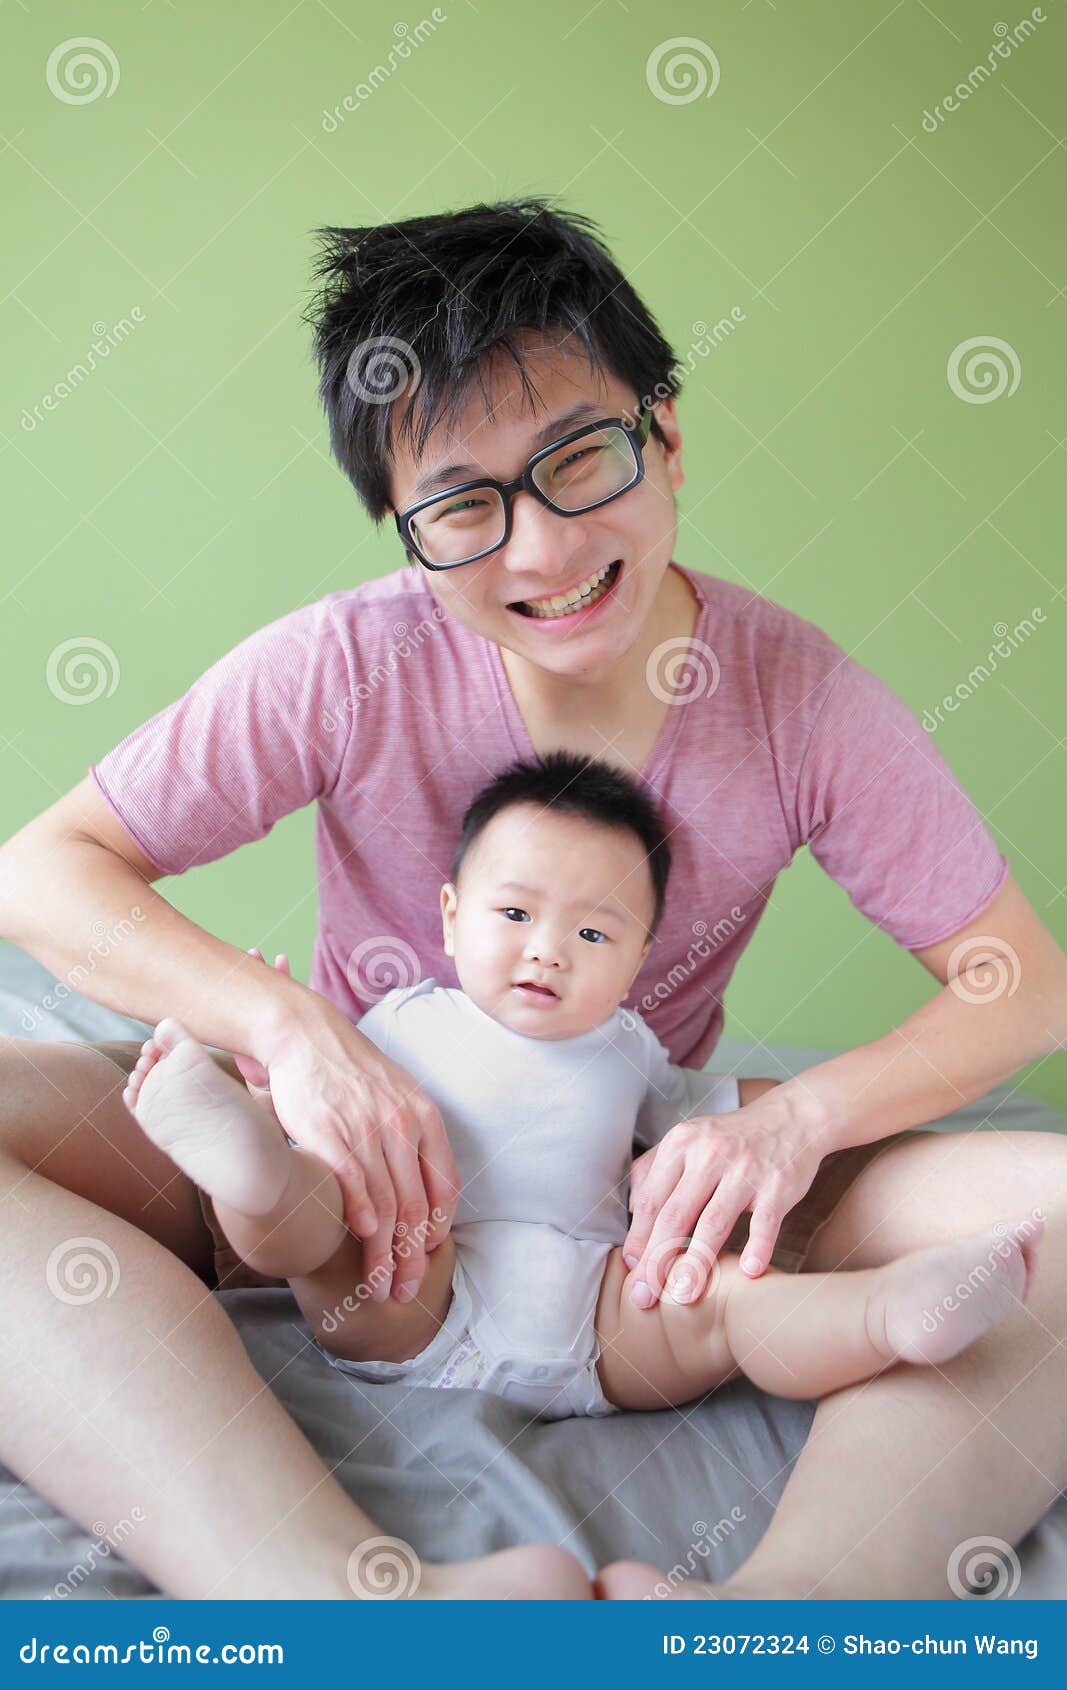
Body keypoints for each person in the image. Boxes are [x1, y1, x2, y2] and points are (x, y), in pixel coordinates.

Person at [0, 196, 1064, 1601]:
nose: (544, 551)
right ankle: (322, 1595)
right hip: (331, 1185)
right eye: (462, 506)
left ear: (664, 436)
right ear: (404, 530)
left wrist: (796, 1123)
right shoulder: (345, 662)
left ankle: (788, 1615)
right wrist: (293, 1032)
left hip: (638, 1198)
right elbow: (42, 869)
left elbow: (1016, 977)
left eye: (579, 459)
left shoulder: (791, 694)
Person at [121, 751, 1044, 1424]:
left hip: (600, 1322)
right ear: (451, 917)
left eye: (594, 935)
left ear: (641, 958)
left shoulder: (632, 1052)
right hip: (415, 1284)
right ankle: (240, 1152)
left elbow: (737, 1116)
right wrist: (276, 1087)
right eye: (515, 912)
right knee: (330, 1209)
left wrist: (831, 1114)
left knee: (723, 1305)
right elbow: (342, 1116)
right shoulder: (400, 1020)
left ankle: (896, 1311)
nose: (546, 949)